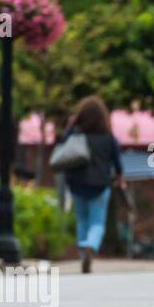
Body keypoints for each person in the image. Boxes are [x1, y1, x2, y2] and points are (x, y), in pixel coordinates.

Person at [59, 96, 125, 274]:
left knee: (82, 220)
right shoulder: (107, 137)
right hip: (100, 184)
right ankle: (90, 245)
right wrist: (120, 176)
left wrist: (71, 126)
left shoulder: (76, 134)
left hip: (77, 183)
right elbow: (117, 161)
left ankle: (83, 255)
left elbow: (62, 146)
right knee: (97, 222)